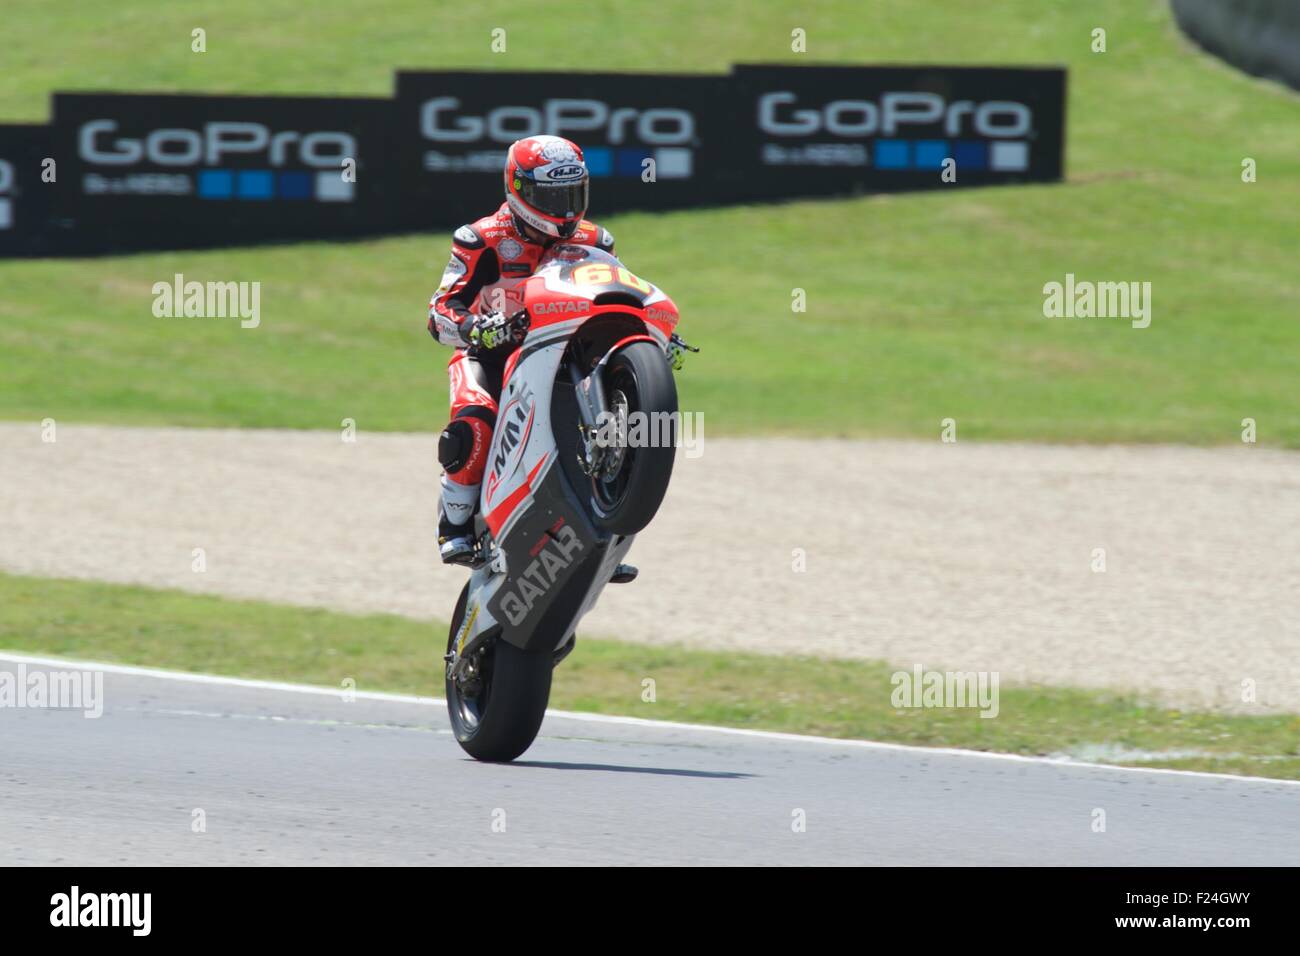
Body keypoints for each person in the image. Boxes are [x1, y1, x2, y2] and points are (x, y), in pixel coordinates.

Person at [427, 135, 616, 565]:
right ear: (519, 190)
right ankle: (453, 523)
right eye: (553, 196)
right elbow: (438, 312)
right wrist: (477, 328)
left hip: (568, 356)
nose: (566, 210)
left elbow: (614, 294)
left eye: (573, 195)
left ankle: (609, 522)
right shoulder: (481, 238)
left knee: (611, 421)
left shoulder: (596, 240)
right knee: (476, 424)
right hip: (492, 355)